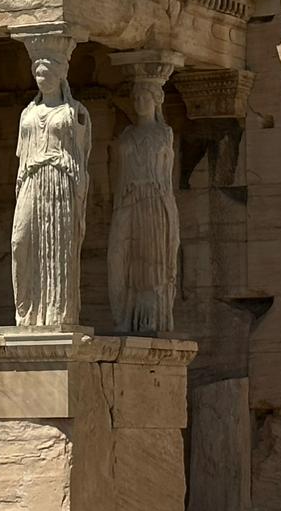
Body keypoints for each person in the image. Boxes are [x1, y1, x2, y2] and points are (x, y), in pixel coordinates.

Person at [12, 42, 92, 328]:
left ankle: (57, 313)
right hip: (32, 180)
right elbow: (22, 154)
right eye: (37, 73)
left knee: (58, 247)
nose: (41, 78)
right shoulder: (27, 113)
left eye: (46, 72)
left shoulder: (75, 113)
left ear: (60, 75)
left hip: (59, 181)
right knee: (21, 242)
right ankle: (28, 312)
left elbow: (83, 154)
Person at [107, 76, 178, 334]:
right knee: (122, 257)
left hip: (153, 201)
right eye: (135, 98)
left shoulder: (164, 133)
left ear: (156, 100)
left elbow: (165, 174)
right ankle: (126, 315)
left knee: (150, 261)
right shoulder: (127, 134)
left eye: (144, 97)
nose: (139, 103)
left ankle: (150, 319)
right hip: (128, 200)